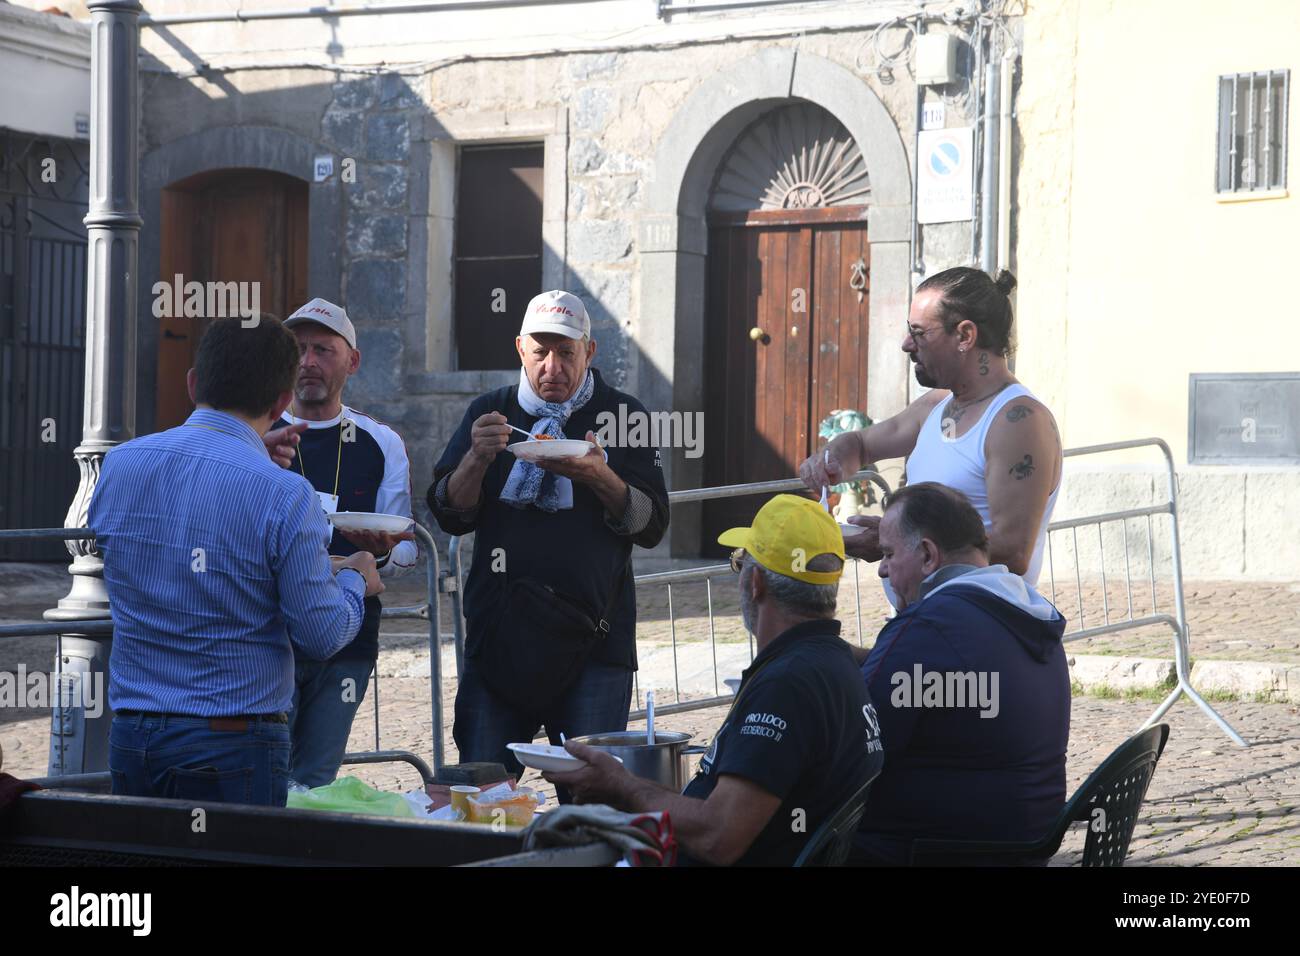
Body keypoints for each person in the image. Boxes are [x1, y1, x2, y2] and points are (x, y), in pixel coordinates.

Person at [89, 316, 383, 808]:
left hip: (134, 735)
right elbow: (322, 633)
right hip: (233, 742)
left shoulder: (120, 465)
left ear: (193, 383)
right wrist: (354, 579)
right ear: (282, 402)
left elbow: (132, 549)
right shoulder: (285, 494)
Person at [546, 495, 884, 866]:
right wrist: (625, 788)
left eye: (740, 563)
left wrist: (621, 785)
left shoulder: (788, 685)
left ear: (755, 583)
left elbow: (717, 838)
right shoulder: (834, 661)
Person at [427, 290, 669, 783]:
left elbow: (652, 525)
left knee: (592, 799)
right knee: (483, 794)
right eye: (541, 353)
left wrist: (599, 476)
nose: (552, 367)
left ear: (590, 352)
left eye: (566, 353)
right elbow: (448, 513)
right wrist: (476, 458)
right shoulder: (490, 413)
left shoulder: (624, 416)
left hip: (595, 646)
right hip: (498, 640)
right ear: (521, 350)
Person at [800, 268, 1062, 590]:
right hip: (932, 620)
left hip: (975, 623)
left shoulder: (1018, 421)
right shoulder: (935, 406)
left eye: (920, 333)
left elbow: (1013, 551)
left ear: (965, 336)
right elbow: (861, 444)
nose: (906, 344)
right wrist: (834, 457)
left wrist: (894, 542)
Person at [851, 482, 1070, 866]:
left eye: (887, 554)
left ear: (928, 554)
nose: (882, 569)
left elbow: (853, 747)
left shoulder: (927, 626)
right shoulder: (1020, 610)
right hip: (1020, 844)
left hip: (934, 851)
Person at [276, 298, 418, 788]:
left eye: (323, 350)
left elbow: (406, 551)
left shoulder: (382, 442)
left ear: (352, 361)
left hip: (350, 641)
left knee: (315, 780)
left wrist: (377, 550)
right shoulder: (256, 435)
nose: (308, 361)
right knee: (268, 780)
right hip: (272, 641)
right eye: (298, 349)